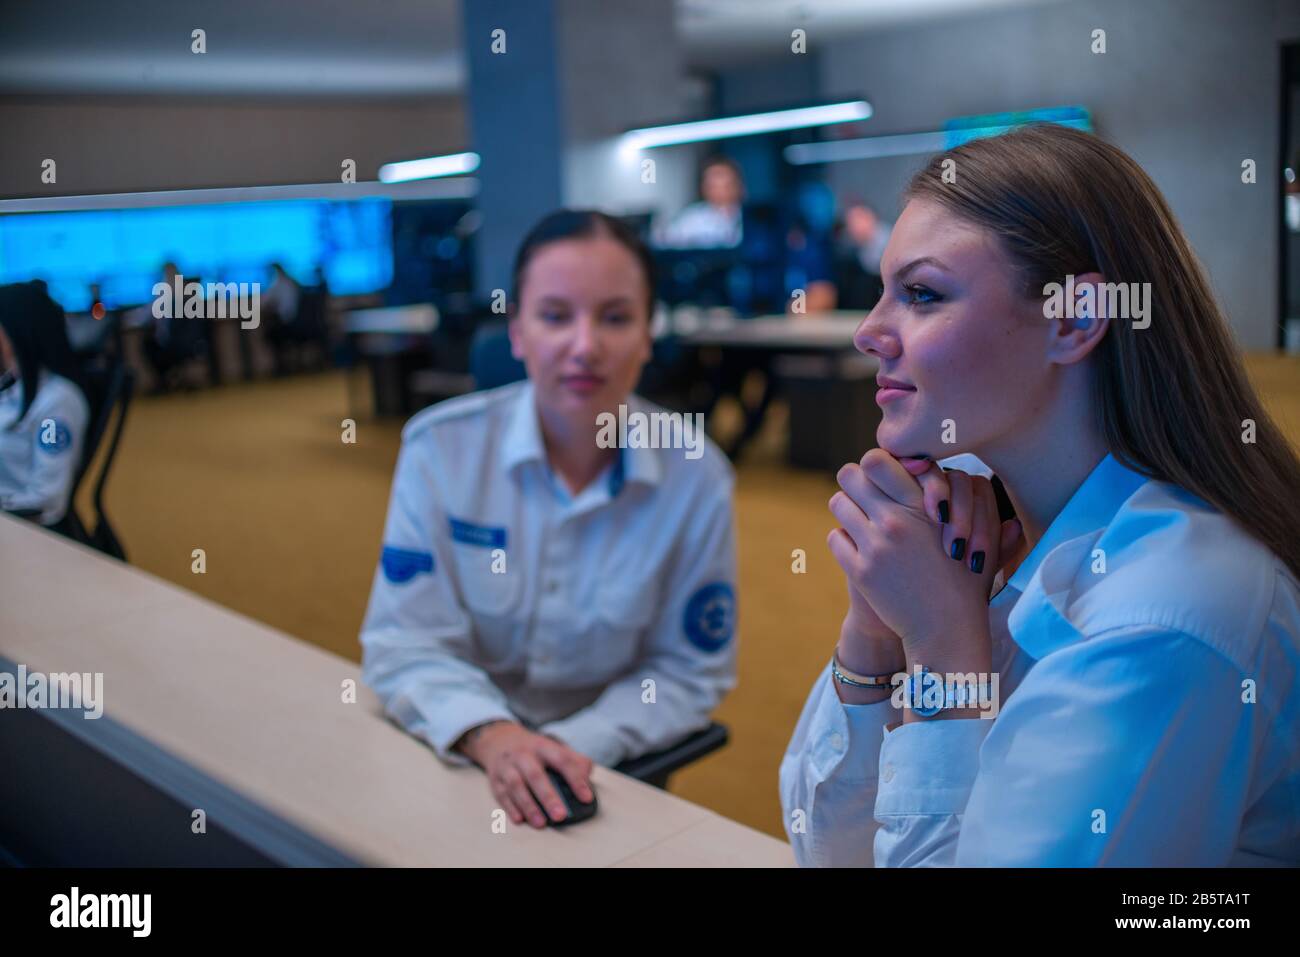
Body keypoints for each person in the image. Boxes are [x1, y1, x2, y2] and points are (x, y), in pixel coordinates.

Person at [779, 122, 1300, 866]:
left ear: (1075, 317)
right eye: (881, 293)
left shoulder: (1169, 614)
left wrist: (943, 653)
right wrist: (875, 635)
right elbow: (824, 847)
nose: (868, 332)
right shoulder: (986, 524)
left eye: (922, 294)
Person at [360, 210, 739, 829]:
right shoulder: (440, 452)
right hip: (453, 753)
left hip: (602, 777)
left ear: (648, 334)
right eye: (555, 316)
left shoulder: (696, 478)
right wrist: (494, 735)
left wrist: (572, 746)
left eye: (616, 318)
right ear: (516, 332)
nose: (584, 346)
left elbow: (687, 671)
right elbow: (404, 639)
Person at [0, 281, 90, 528]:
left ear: (20, 331)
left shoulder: (57, 404)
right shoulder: (11, 386)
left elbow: (47, 500)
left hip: (27, 532)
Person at [655, 155, 745, 249]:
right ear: (704, 188)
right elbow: (665, 242)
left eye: (726, 185)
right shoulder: (690, 219)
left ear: (739, 186)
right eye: (713, 186)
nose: (720, 192)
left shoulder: (752, 218)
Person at [833, 199, 892, 311]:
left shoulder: (890, 243)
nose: (852, 227)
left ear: (871, 218)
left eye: (857, 220)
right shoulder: (856, 249)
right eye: (849, 223)